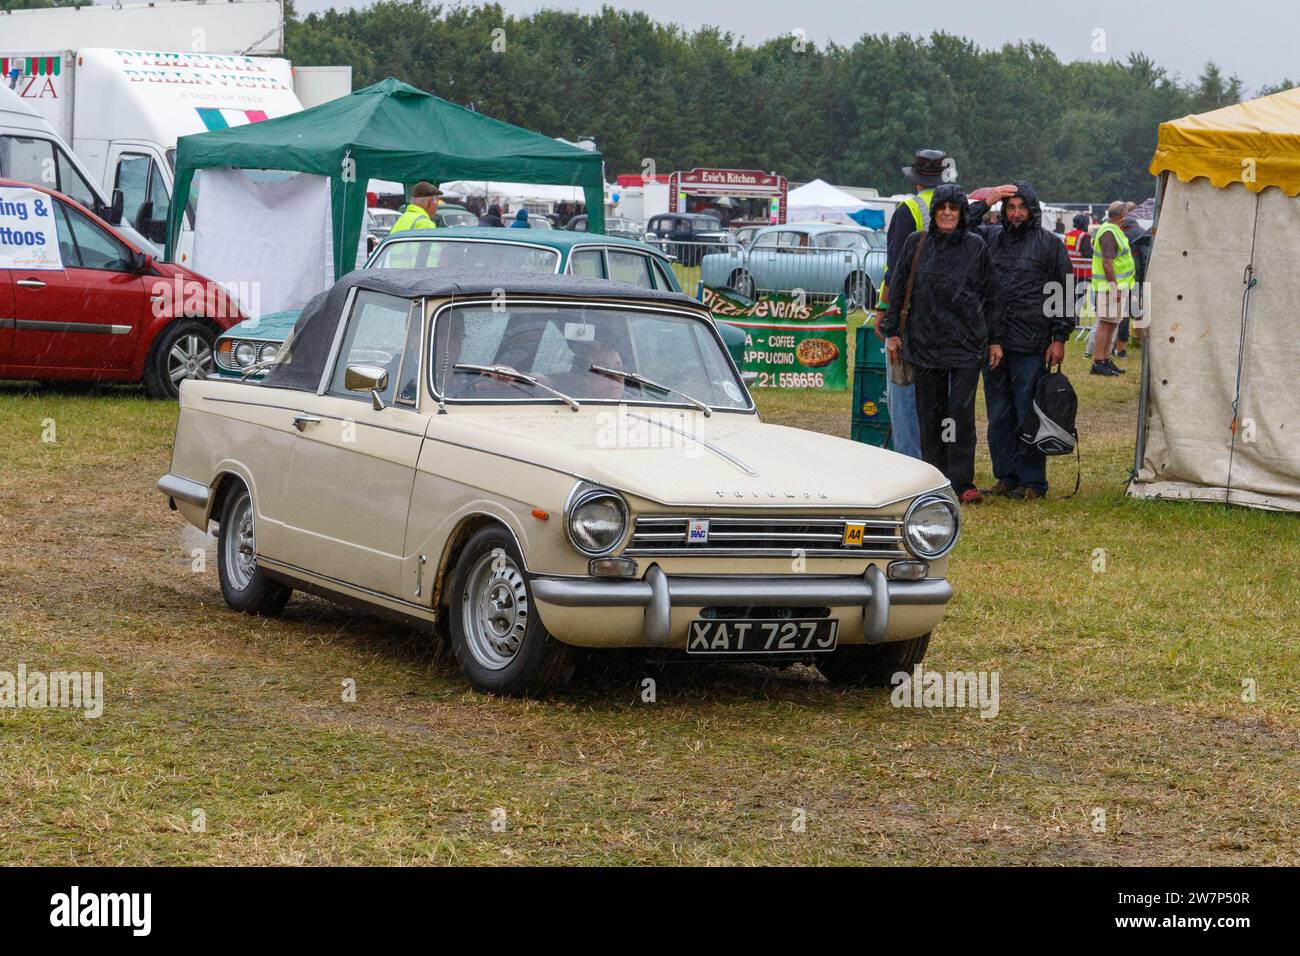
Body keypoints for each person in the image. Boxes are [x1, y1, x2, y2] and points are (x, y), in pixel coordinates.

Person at [878, 184, 1000, 504]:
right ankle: (932, 477)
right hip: (924, 342)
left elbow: (991, 297)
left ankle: (961, 482)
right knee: (930, 415)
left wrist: (995, 340)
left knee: (960, 415)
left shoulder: (976, 246)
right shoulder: (916, 243)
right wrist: (892, 332)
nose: (947, 212)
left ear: (962, 214)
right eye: (942, 207)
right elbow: (898, 285)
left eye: (954, 208)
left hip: (966, 345)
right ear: (934, 213)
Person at [971, 181, 1073, 500]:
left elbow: (1064, 290)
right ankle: (1007, 476)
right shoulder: (990, 239)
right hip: (995, 342)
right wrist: (987, 202)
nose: (1015, 214)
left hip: (1032, 341)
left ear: (1032, 210)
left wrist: (1059, 337)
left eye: (1021, 207)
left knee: (1028, 412)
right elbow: (959, 226)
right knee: (999, 413)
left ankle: (1033, 481)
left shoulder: (1049, 245)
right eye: (1010, 208)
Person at [873, 148, 948, 461]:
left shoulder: (909, 209)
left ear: (916, 181)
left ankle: (907, 459)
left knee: (903, 390)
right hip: (947, 311)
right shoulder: (958, 208)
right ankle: (939, 458)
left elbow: (896, 267)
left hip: (909, 310)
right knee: (939, 394)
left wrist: (884, 311)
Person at [1088, 201, 1136, 376]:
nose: (1127, 216)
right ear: (1121, 215)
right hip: (1109, 287)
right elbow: (1107, 263)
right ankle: (1098, 362)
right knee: (1105, 324)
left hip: (1116, 286)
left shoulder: (1114, 230)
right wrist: (1114, 287)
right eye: (1126, 212)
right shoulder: (1109, 232)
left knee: (1112, 324)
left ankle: (1105, 359)